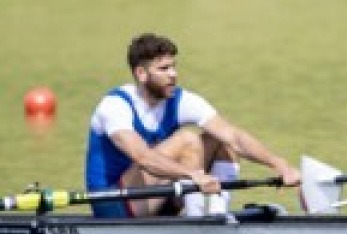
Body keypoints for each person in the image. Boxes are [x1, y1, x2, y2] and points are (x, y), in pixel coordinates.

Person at [85, 33, 300, 218]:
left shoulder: (180, 100)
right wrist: (192, 176)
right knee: (187, 140)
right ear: (141, 74)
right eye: (164, 69)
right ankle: (196, 219)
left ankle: (218, 214)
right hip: (114, 202)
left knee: (220, 139)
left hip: (157, 196)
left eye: (174, 67)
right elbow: (144, 158)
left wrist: (279, 164)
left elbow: (234, 137)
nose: (173, 74)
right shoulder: (114, 106)